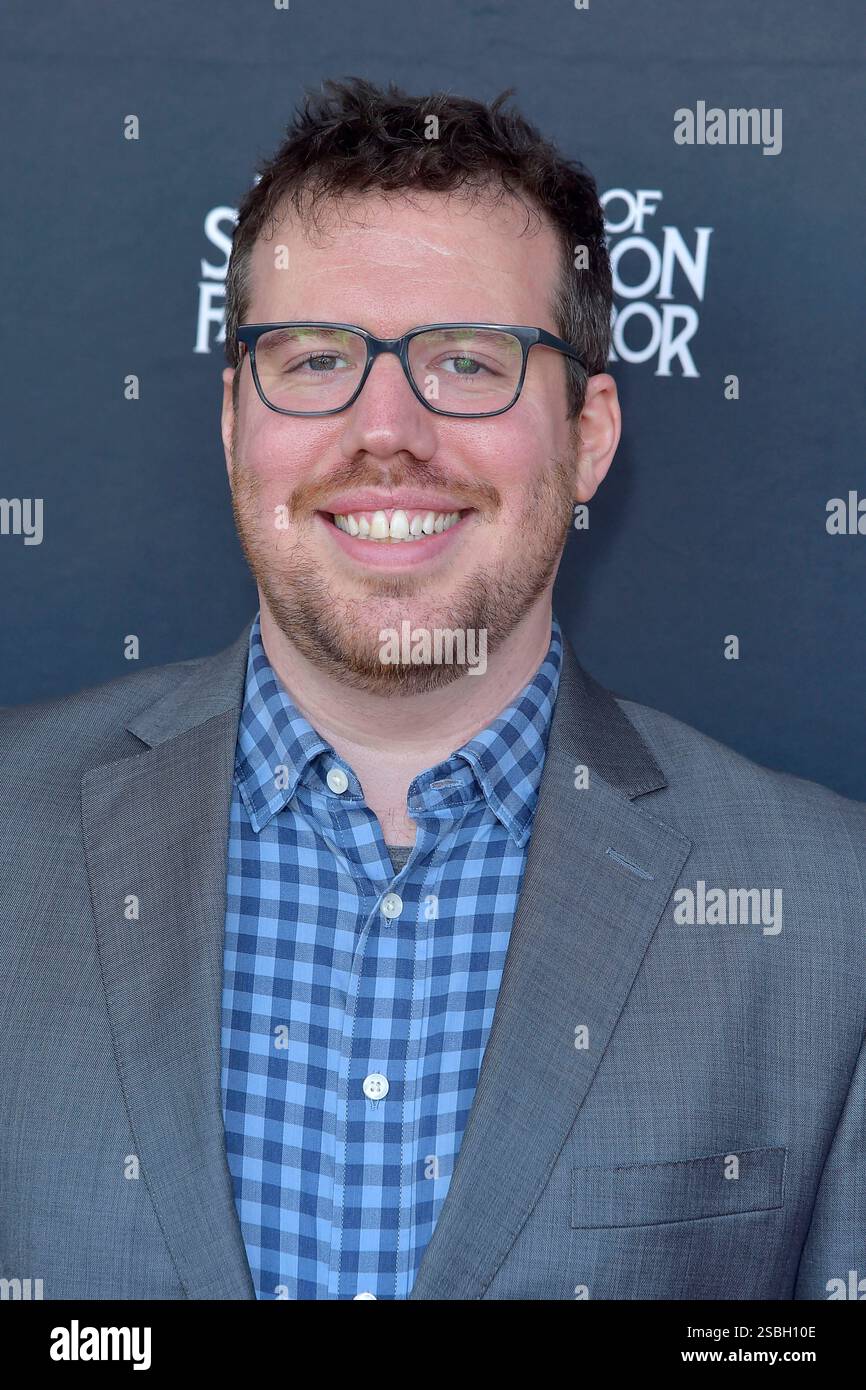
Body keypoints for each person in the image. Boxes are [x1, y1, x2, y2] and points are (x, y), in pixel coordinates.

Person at [1, 77, 864, 1302]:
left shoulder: (827, 919)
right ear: (235, 419)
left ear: (589, 435)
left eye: (466, 361)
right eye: (316, 359)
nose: (387, 430)